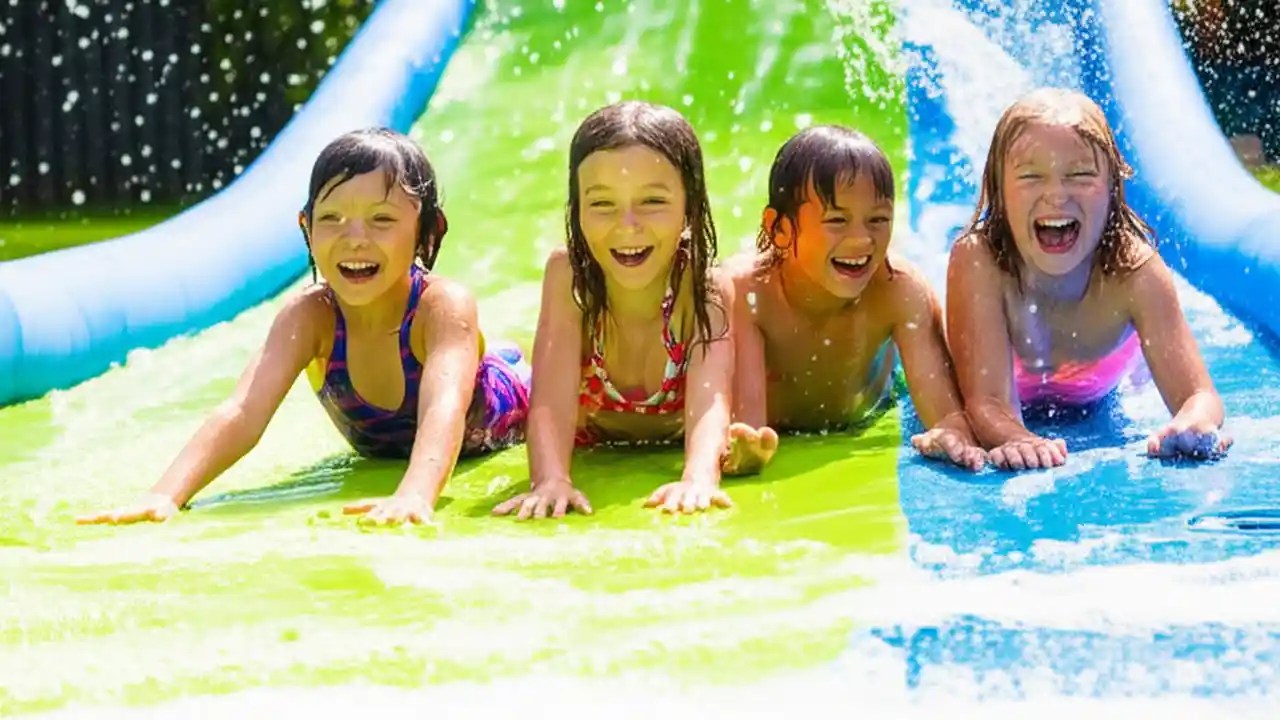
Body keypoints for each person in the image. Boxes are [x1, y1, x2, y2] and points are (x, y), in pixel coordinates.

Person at [79, 128, 529, 526]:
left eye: (383, 219)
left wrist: (415, 493)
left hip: (507, 405)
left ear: (428, 232)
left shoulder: (440, 307)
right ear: (306, 227)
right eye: (332, 218)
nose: (355, 237)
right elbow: (242, 411)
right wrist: (165, 495)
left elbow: (443, 410)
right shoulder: (310, 318)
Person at [493, 101, 770, 521]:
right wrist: (550, 479)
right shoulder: (570, 278)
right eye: (602, 204)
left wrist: (699, 476)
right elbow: (549, 399)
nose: (627, 225)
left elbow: (711, 400)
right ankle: (503, 361)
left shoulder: (705, 289)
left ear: (690, 207)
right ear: (576, 209)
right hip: (591, 435)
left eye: (653, 201)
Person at [946, 88, 1229, 470]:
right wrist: (1016, 438)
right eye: (1031, 176)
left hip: (1103, 396)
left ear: (1112, 188)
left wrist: (1194, 420)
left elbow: (1199, 395)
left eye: (1080, 175)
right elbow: (986, 402)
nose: (1057, 195)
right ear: (999, 190)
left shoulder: (1135, 272)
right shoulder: (980, 261)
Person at [725, 125, 984, 471]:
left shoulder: (899, 291)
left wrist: (950, 434)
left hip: (882, 400)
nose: (862, 240)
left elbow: (948, 416)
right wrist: (746, 451)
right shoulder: (745, 293)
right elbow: (749, 429)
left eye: (878, 219)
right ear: (780, 229)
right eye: (837, 220)